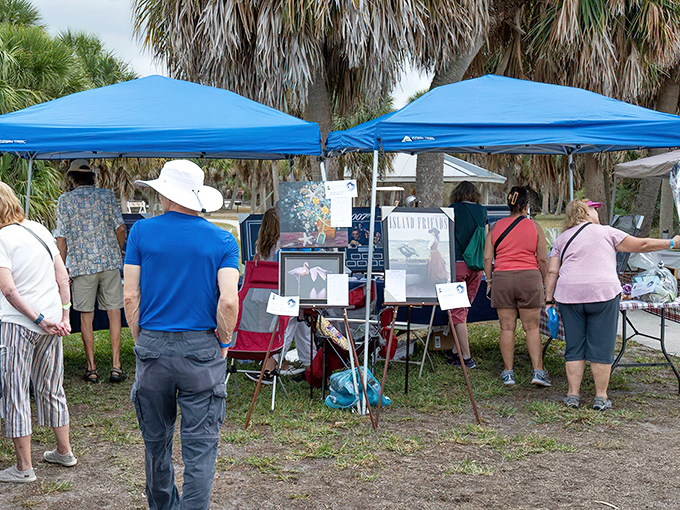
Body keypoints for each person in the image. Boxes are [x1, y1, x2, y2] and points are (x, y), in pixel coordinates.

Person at [124, 160, 240, 510]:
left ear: (166, 194)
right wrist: (223, 341)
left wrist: (140, 338)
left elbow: (130, 295)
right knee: (201, 447)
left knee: (155, 442)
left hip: (153, 345)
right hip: (201, 348)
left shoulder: (141, 233)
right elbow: (229, 301)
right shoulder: (223, 239)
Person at [545, 199, 680, 410]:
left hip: (569, 295)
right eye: (593, 208)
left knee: (575, 346)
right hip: (603, 293)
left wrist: (548, 300)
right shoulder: (608, 232)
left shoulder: (562, 238)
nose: (597, 211)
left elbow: (552, 271)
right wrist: (672, 243)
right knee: (601, 346)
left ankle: (573, 395)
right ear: (585, 213)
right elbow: (641, 245)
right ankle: (600, 397)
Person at [0, 182, 76, 483]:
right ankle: (64, 450)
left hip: (19, 324)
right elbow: (63, 277)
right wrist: (63, 314)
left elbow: (8, 289)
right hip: (52, 323)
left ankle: (23, 467)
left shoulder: (2, 238)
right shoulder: (39, 230)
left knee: (16, 392)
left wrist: (39, 318)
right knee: (51, 387)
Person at [55, 159, 127, 384]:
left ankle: (92, 368)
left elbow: (62, 238)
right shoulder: (107, 196)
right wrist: (117, 250)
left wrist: (61, 269)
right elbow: (121, 228)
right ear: (92, 177)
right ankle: (116, 366)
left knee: (86, 316)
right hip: (109, 263)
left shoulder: (65, 201)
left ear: (72, 178)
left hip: (81, 265)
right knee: (114, 312)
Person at [483, 186, 550, 387]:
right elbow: (542, 259)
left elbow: (487, 257)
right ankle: (538, 371)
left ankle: (508, 373)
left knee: (506, 327)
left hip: (502, 279)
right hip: (529, 279)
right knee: (532, 328)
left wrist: (489, 281)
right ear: (526, 206)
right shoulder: (535, 227)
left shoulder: (496, 227)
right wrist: (545, 282)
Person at [248, 207, 310, 383]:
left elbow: (256, 267)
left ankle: (278, 361)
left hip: (262, 292)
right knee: (284, 328)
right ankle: (272, 366)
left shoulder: (262, 244)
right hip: (281, 292)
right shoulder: (284, 245)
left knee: (274, 329)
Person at [447, 181, 487, 369]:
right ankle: (456, 350)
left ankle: (466, 356)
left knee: (457, 310)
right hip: (476, 265)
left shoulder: (453, 209)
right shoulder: (482, 211)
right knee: (464, 309)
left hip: (457, 263)